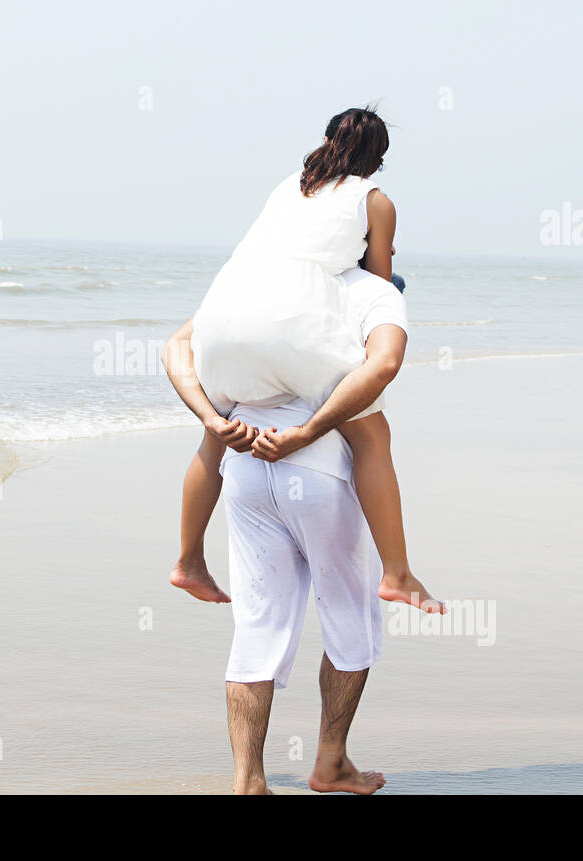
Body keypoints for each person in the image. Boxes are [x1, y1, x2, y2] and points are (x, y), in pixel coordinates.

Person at [163, 106, 441, 614]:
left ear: (327, 139)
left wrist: (209, 411)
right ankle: (397, 573)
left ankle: (188, 560)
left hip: (228, 305)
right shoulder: (375, 199)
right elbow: (377, 281)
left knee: (214, 434)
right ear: (378, 159)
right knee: (370, 436)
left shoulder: (289, 184)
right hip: (289, 317)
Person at [161, 263, 412, 794]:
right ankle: (330, 762)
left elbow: (179, 345)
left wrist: (209, 414)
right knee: (349, 620)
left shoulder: (257, 280)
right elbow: (379, 374)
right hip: (319, 469)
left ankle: (248, 781)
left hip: (246, 465)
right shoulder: (368, 294)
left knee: (257, 631)